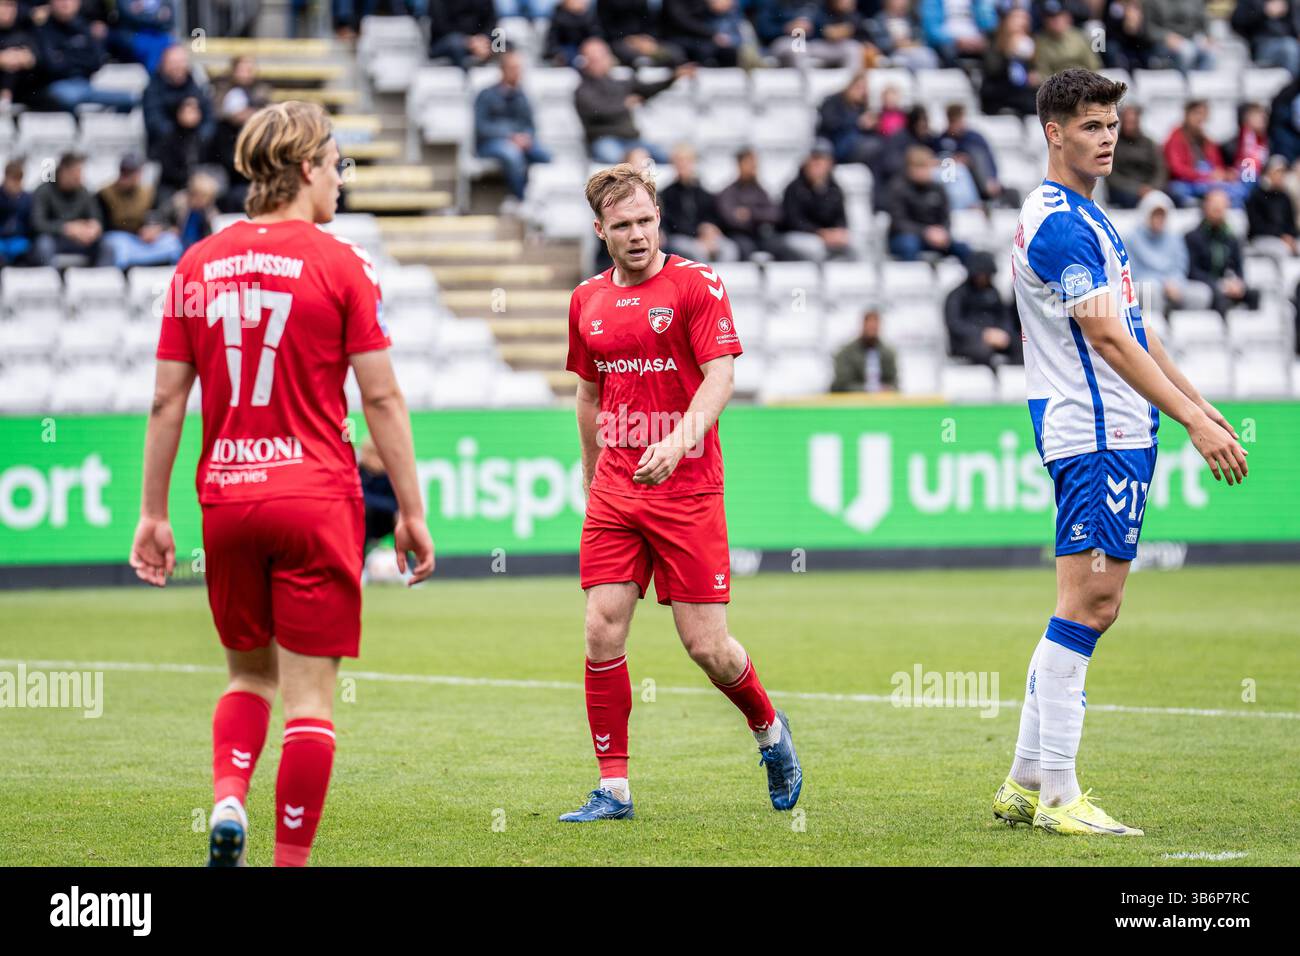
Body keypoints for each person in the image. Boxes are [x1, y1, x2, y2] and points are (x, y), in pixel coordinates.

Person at [129, 101, 436, 867]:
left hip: (226, 499)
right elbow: (383, 397)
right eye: (336, 163)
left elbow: (168, 399)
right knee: (310, 701)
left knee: (246, 675)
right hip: (314, 497)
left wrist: (151, 513)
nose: (341, 177)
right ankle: (289, 862)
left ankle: (229, 795)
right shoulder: (341, 262)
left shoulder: (196, 264)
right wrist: (411, 509)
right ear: (305, 169)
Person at [996, 69, 1247, 838]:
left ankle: (1024, 780)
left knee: (1081, 607)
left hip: (1108, 431)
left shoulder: (1084, 217)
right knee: (1092, 606)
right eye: (1091, 125)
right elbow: (1105, 339)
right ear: (1054, 133)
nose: (1107, 137)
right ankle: (1061, 797)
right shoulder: (1065, 225)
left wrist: (1198, 406)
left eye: (1112, 124)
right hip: (1099, 434)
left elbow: (1134, 330)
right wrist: (1193, 424)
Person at [560, 162, 802, 822]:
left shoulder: (697, 283)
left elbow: (720, 375)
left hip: (688, 490)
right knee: (600, 630)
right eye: (622, 225)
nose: (637, 234)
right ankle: (613, 788)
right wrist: (590, 472)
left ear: (658, 219)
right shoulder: (586, 301)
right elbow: (587, 395)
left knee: (707, 647)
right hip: (616, 491)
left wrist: (678, 441)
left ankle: (769, 732)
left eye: (646, 221)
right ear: (600, 230)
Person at [574, 37, 692, 164]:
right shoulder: (582, 89)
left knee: (665, 157)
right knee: (618, 162)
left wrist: (673, 77)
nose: (600, 61)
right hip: (604, 140)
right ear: (585, 61)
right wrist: (625, 105)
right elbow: (597, 111)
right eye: (594, 58)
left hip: (632, 140)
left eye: (602, 56)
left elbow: (648, 89)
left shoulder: (620, 82)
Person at [474, 50, 551, 202]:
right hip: (490, 143)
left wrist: (526, 138)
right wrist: (509, 136)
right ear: (503, 70)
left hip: (519, 141)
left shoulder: (522, 96)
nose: (517, 72)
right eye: (513, 68)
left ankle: (539, 199)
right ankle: (520, 200)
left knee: (545, 156)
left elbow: (529, 125)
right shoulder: (486, 95)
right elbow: (481, 127)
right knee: (512, 155)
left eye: (519, 68)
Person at [37, 0, 136, 113]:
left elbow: (97, 61)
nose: (65, 3)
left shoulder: (85, 28)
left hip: (85, 85)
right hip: (56, 87)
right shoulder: (42, 30)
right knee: (69, 95)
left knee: (131, 98)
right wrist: (80, 57)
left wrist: (66, 56)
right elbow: (52, 65)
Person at [1125, 189, 1213, 315]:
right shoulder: (1131, 239)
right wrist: (1162, 284)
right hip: (1144, 285)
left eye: (1162, 215)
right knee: (1151, 291)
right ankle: (1155, 329)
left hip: (1172, 285)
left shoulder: (1174, 238)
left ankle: (1185, 331)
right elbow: (1131, 272)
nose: (1159, 219)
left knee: (1202, 293)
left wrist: (1174, 283)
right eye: (1155, 214)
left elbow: (1180, 267)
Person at [886, 144, 971, 263]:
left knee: (963, 248)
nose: (923, 172)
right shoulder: (898, 188)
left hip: (934, 236)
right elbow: (898, 222)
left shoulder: (938, 188)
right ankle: (914, 279)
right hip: (905, 236)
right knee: (909, 245)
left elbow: (946, 218)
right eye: (918, 167)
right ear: (909, 168)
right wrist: (925, 232)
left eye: (925, 167)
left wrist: (942, 232)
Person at [98, 152, 183, 269]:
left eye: (132, 172)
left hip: (143, 238)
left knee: (171, 242)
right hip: (120, 236)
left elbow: (159, 217)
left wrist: (155, 229)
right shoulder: (105, 194)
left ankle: (173, 276)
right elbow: (102, 225)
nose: (129, 176)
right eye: (126, 172)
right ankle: (123, 279)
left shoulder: (148, 192)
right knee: (118, 246)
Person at [1185, 187, 1262, 314]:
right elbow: (1192, 270)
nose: (1218, 211)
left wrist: (1238, 282)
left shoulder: (1231, 237)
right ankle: (1225, 331)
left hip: (1227, 283)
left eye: (1222, 207)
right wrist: (1218, 284)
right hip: (1206, 284)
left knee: (1254, 294)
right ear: (1205, 207)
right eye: (1215, 207)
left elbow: (1238, 266)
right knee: (1218, 295)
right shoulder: (1193, 237)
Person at [659, 143, 738, 262]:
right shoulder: (666, 194)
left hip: (703, 238)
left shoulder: (703, 192)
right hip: (680, 238)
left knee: (729, 248)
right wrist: (698, 235)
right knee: (696, 251)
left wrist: (709, 230)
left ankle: (721, 280)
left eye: (687, 161)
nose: (683, 165)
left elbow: (711, 218)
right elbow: (669, 223)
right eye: (679, 161)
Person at [1163, 100, 1249, 208]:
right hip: (1187, 182)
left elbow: (1217, 166)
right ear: (1186, 114)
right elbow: (1177, 169)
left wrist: (1225, 174)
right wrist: (1204, 176)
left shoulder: (1207, 141)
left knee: (1240, 190)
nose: (1200, 118)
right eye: (1196, 113)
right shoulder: (1175, 138)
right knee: (1177, 190)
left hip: (1207, 182)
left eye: (1203, 114)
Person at [781, 139, 857, 261]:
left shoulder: (834, 189)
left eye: (822, 159)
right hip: (800, 235)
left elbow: (841, 218)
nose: (817, 164)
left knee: (854, 244)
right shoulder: (794, 188)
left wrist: (837, 232)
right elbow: (793, 221)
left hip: (826, 236)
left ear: (830, 163)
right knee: (815, 247)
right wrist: (819, 232)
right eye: (814, 159)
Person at [944, 250, 1021, 366]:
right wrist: (983, 334)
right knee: (982, 351)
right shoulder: (957, 295)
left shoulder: (994, 293)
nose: (983, 278)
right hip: (967, 341)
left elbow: (1005, 317)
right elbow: (955, 324)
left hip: (996, 338)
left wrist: (1003, 333)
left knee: (1020, 347)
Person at [714, 147, 793, 260]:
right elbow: (731, 220)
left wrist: (750, 214)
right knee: (744, 248)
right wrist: (759, 216)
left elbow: (775, 214)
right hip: (736, 236)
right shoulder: (729, 192)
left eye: (755, 163)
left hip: (760, 235)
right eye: (749, 163)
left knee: (781, 246)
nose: (753, 167)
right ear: (739, 164)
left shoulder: (760, 191)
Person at [30, 151, 102, 266]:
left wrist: (94, 227)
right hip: (55, 239)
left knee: (105, 244)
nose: (80, 177)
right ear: (64, 171)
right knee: (43, 245)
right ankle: (48, 281)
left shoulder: (83, 191)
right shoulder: (44, 190)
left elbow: (95, 217)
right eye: (76, 173)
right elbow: (37, 224)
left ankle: (98, 280)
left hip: (80, 240)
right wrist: (66, 228)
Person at [143, 45, 216, 157]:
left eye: (181, 62)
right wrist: (181, 123)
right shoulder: (153, 88)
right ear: (163, 64)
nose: (178, 66)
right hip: (164, 154)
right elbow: (155, 123)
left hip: (196, 151)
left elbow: (210, 119)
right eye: (173, 62)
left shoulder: (197, 86)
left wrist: (198, 135)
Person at [980, 6, 1039, 117]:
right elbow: (992, 70)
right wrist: (1008, 53)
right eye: (1017, 18)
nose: (1022, 22)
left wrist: (1033, 72)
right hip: (998, 93)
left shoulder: (1030, 43)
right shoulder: (994, 41)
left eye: (1025, 18)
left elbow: (1030, 74)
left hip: (1022, 94)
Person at [1105, 104, 1165, 208]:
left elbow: (1161, 170)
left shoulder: (1149, 143)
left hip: (1150, 188)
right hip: (1125, 190)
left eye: (1133, 122)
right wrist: (1137, 189)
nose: (1130, 126)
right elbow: (1111, 176)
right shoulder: (1113, 144)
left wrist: (1152, 188)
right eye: (1127, 122)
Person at [830, 307, 897, 392]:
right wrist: (870, 390)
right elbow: (841, 385)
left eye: (875, 326)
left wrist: (887, 389)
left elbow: (894, 383)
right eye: (869, 325)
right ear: (863, 325)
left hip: (880, 403)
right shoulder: (846, 353)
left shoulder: (888, 353)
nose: (872, 328)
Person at [1246, 154, 1299, 258]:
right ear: (1268, 173)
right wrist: (1281, 235)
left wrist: (1290, 237)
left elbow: (1291, 225)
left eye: (1283, 173)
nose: (1281, 176)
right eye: (1278, 172)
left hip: (1284, 239)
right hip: (1262, 238)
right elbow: (1256, 227)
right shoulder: (1257, 196)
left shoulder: (1285, 197)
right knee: (1282, 249)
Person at [1231, 0, 1300, 78]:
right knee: (1289, 48)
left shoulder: (1288, 2)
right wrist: (1264, 11)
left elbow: (1295, 24)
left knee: (1291, 46)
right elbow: (1237, 22)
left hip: (1290, 42)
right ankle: (1294, 88)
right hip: (1262, 46)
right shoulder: (1249, 2)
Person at [1034, 0, 1101, 77]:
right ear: (1045, 21)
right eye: (1051, 17)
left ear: (1067, 17)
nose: (1056, 20)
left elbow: (1094, 65)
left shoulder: (1079, 36)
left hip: (1084, 81)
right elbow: (1042, 72)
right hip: (1057, 85)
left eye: (1059, 16)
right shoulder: (1040, 42)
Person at [426, 0, 497, 69]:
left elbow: (491, 21)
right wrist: (470, 42)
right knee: (456, 44)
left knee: (503, 44)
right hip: (444, 41)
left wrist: (484, 38)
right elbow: (441, 26)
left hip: (479, 40)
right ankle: (466, 78)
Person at [0, 0, 39, 110]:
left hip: (23, 91)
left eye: (11, 6)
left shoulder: (24, 31)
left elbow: (37, 58)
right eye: (3, 5)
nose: (7, 10)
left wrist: (20, 58)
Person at [0, 156, 32, 265]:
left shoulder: (27, 199)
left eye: (19, 180)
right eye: (13, 179)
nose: (16, 184)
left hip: (20, 241)